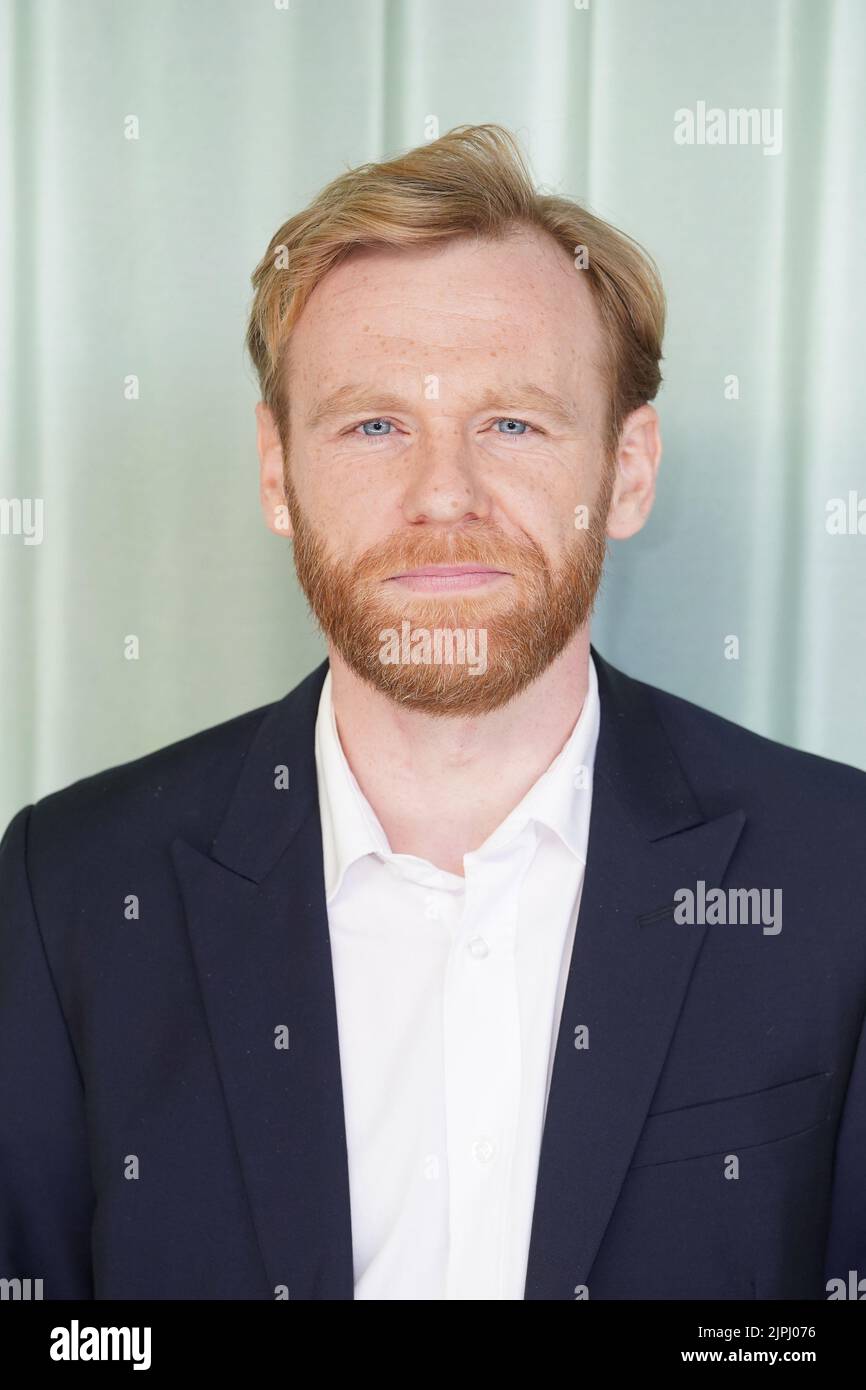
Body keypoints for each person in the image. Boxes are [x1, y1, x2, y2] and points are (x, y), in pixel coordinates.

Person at [1, 125, 864, 1301]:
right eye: (373, 425)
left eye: (510, 423)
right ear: (275, 472)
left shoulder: (836, 872)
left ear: (625, 471)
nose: (441, 495)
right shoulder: (70, 889)